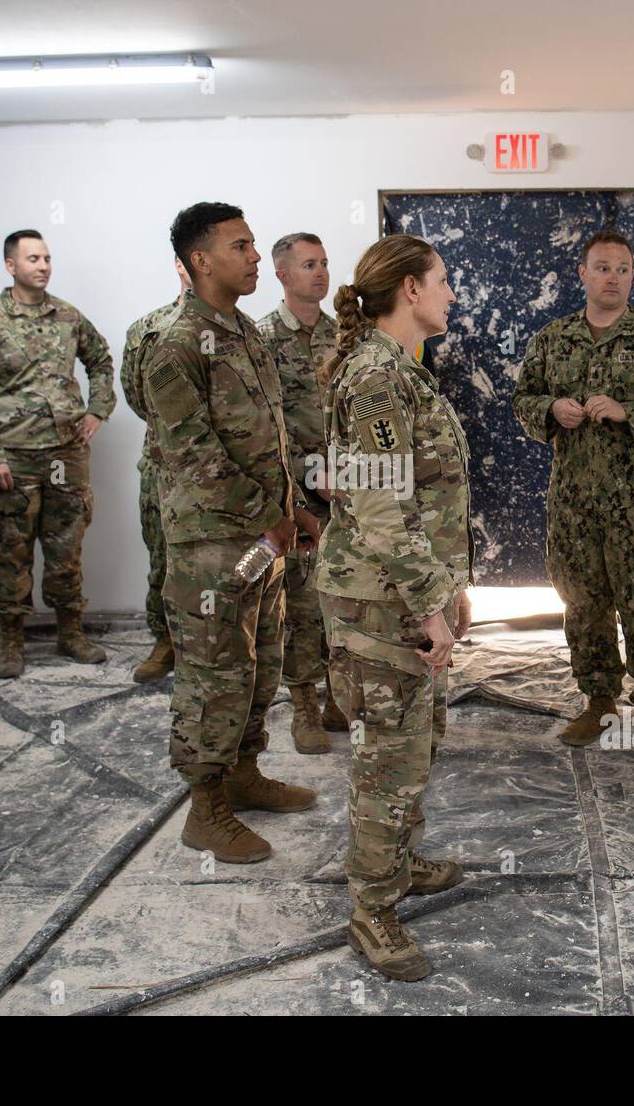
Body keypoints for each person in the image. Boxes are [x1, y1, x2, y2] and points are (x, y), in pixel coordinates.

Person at [143, 202, 321, 864]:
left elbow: (271, 439)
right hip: (210, 545)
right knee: (212, 675)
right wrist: (266, 513)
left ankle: (243, 772)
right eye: (241, 246)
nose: (254, 258)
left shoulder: (244, 331)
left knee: (257, 664)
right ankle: (205, 809)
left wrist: (291, 508)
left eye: (252, 245)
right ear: (200, 259)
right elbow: (194, 451)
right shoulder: (175, 341)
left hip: (262, 538)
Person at [316, 234, 473, 982]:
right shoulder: (377, 379)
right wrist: (428, 603)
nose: (451, 294)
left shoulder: (402, 372)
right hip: (379, 601)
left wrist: (450, 589)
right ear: (409, 289)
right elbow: (382, 509)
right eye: (442, 282)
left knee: (419, 737)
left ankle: (402, 862)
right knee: (390, 755)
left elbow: (426, 499)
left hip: (407, 590)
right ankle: (372, 908)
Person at [513, 229, 634, 752]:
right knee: (584, 605)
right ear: (582, 273)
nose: (613, 278)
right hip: (574, 503)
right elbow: (523, 399)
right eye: (602, 268)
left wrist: (631, 413)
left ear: (633, 276)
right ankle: (598, 703)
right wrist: (550, 410)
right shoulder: (552, 339)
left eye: (623, 269)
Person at [0, 230, 115, 677]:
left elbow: (101, 361)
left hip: (66, 452)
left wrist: (97, 410)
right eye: (32, 258)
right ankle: (12, 640)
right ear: (11, 266)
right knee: (12, 550)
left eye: (46, 257)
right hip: (15, 455)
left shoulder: (67, 316)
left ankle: (71, 632)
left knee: (66, 550)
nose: (43, 265)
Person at [257, 232, 349, 752]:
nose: (320, 273)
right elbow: (262, 428)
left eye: (325, 263)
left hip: (344, 493)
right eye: (309, 264)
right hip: (294, 494)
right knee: (300, 604)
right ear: (282, 274)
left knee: (341, 597)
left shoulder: (344, 337)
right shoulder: (261, 338)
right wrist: (302, 480)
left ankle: (339, 696)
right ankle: (304, 707)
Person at [120, 256, 190, 684]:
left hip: (224, 477)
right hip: (165, 468)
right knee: (163, 558)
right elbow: (135, 395)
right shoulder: (148, 329)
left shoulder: (239, 331)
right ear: (181, 264)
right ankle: (165, 640)